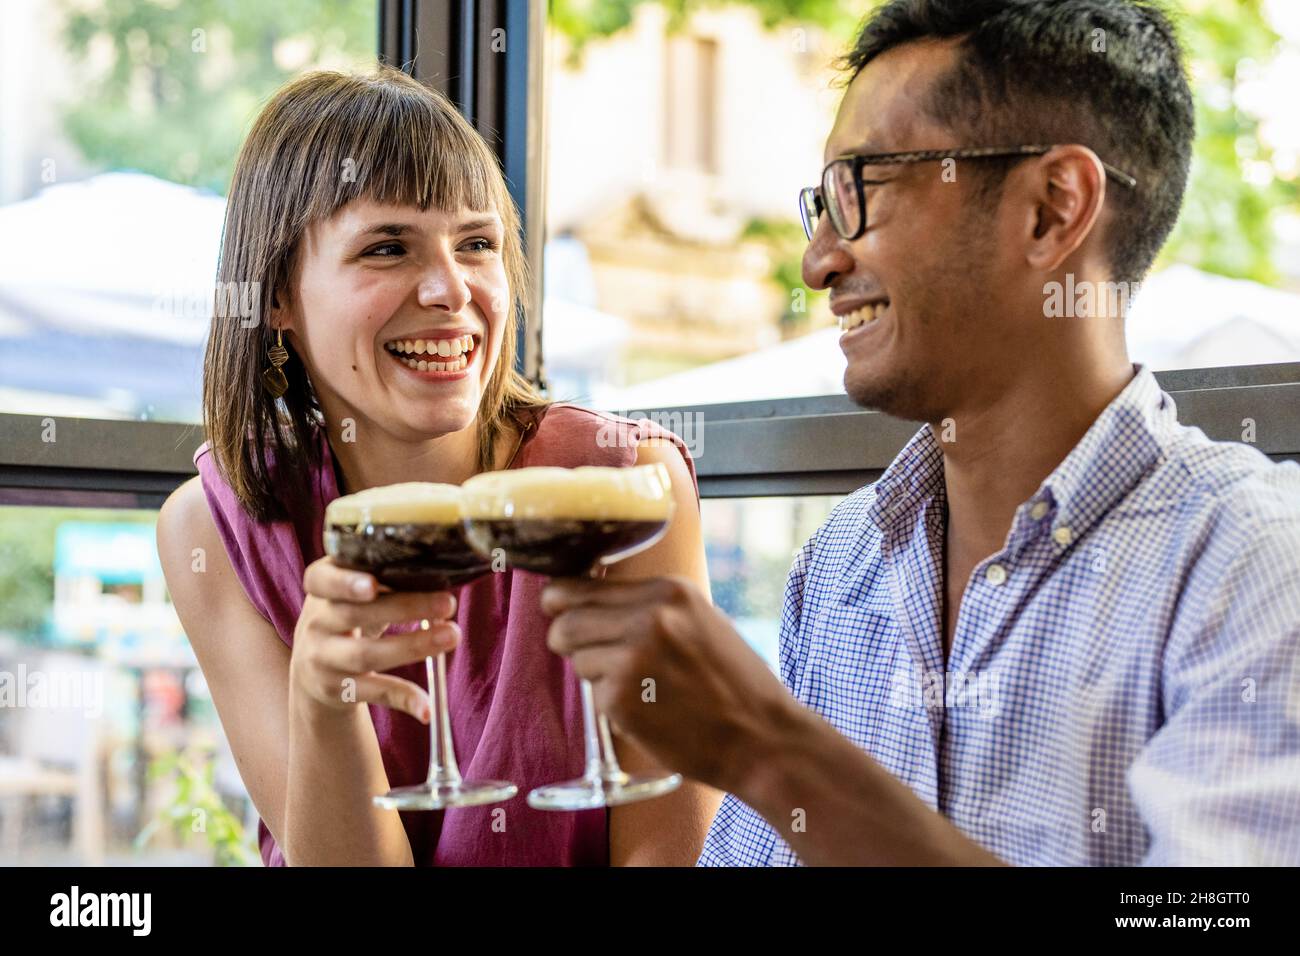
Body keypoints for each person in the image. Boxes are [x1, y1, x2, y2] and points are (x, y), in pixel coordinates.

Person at [542, 0, 1300, 866]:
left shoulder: (1253, 566)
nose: (818, 260)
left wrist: (770, 749)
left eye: (861, 189)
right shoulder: (841, 564)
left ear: (1052, 210)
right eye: (818, 205)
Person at [156, 66, 720, 866]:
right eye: (387, 248)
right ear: (276, 294)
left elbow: (671, 853)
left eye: (478, 245)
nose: (451, 289)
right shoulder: (216, 528)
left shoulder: (623, 487)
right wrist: (324, 704)